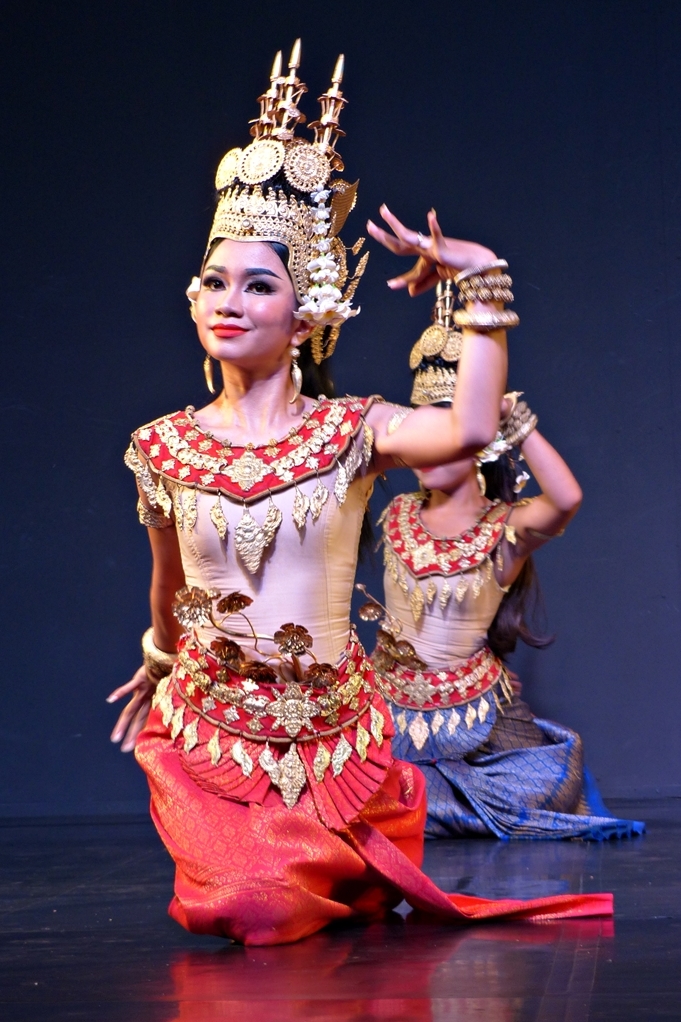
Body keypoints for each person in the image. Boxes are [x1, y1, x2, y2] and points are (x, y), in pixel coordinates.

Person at [107, 44, 612, 945]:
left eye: (258, 285)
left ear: (304, 318)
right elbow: (168, 587)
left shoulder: (351, 431)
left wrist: (480, 275)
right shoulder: (163, 446)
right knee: (251, 905)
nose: (230, 301)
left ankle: (363, 829)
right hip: (212, 733)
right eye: (215, 282)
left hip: (339, 736)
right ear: (192, 300)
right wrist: (155, 663)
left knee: (314, 900)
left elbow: (463, 429)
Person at [366, 281, 645, 841]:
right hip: (385, 705)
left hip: (476, 711)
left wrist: (519, 424)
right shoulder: (396, 510)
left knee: (539, 786)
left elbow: (566, 500)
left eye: (444, 428)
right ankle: (422, 799)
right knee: (342, 789)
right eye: (423, 426)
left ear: (474, 443)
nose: (429, 443)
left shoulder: (505, 529)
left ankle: (435, 803)